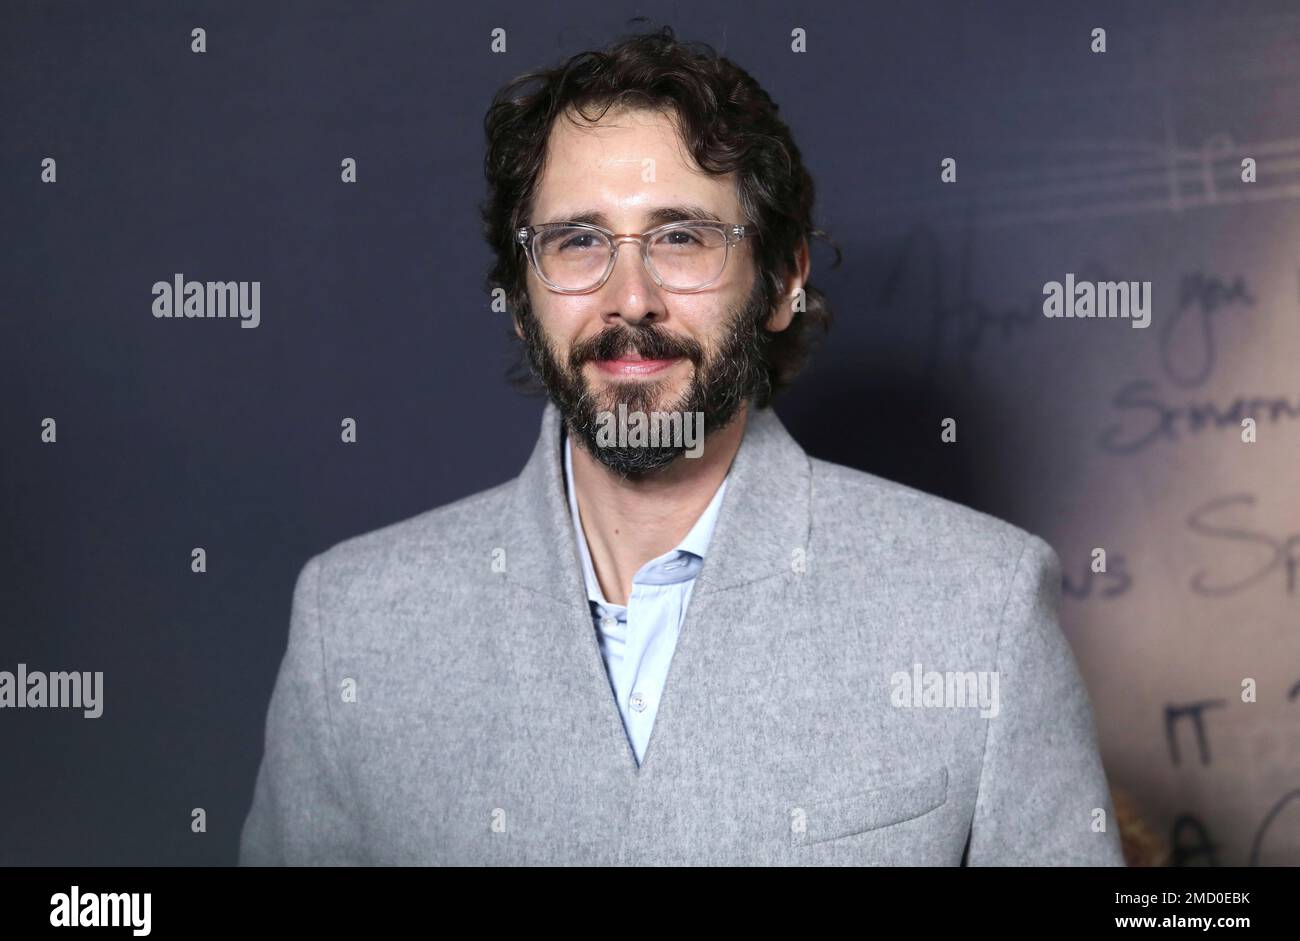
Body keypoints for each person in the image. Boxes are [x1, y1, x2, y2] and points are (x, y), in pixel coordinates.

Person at [239, 26, 1124, 866]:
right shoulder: (352, 626)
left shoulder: (980, 605)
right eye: (577, 241)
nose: (631, 297)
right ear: (519, 298)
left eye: (681, 237)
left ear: (781, 283)